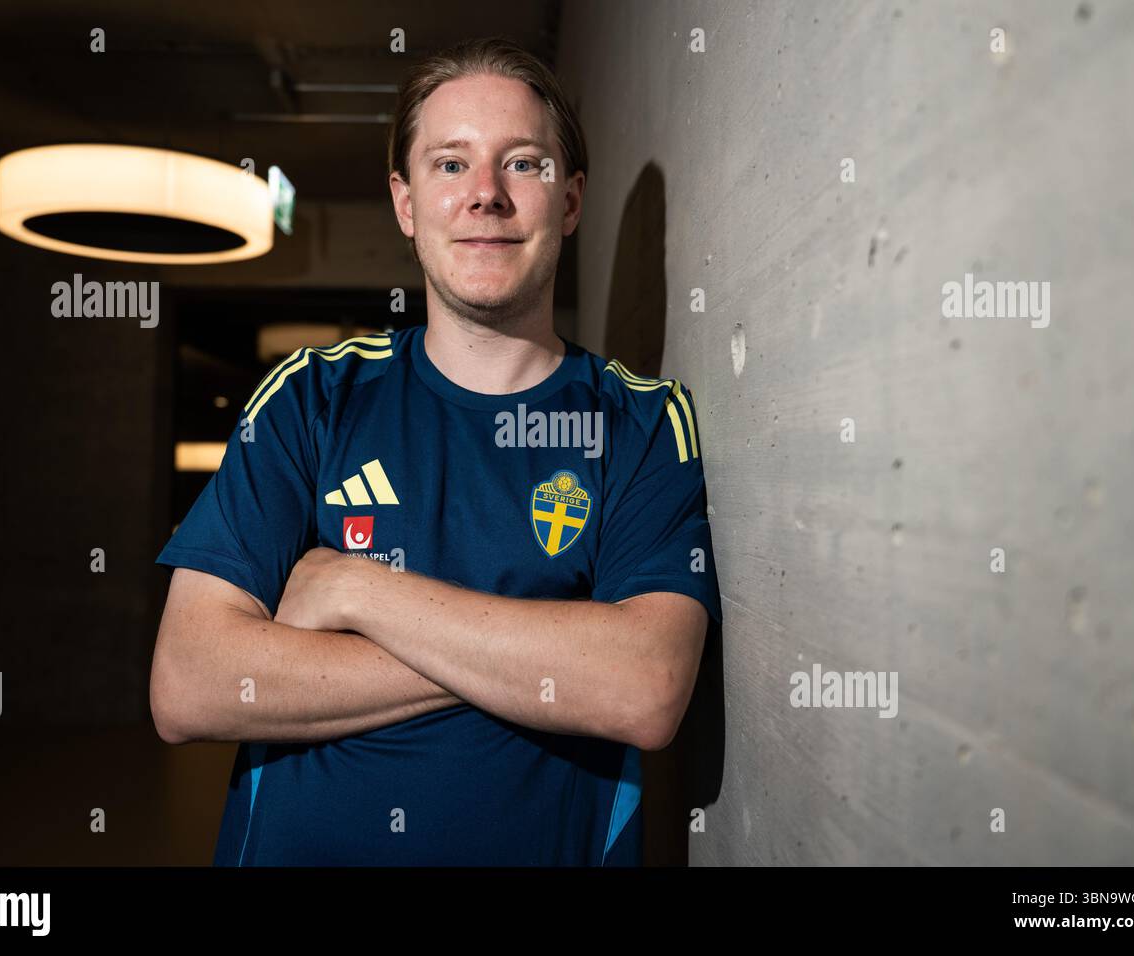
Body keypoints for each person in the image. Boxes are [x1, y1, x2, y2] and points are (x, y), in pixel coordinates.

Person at [150, 35, 721, 866]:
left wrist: (353, 592)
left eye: (522, 163)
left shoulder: (642, 422)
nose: (485, 195)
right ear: (406, 203)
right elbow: (190, 684)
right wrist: (548, 663)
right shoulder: (310, 397)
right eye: (450, 165)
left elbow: (645, 688)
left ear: (568, 202)